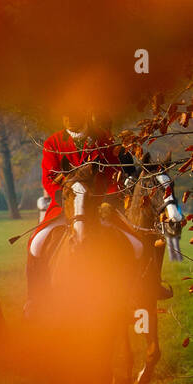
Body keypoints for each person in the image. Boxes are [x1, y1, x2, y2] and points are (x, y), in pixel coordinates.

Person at [24, 111, 144, 316]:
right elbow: (49, 177)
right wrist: (67, 199)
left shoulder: (103, 139)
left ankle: (133, 296)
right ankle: (35, 299)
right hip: (65, 206)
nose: (71, 118)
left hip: (100, 207)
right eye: (67, 113)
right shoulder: (53, 142)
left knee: (137, 245)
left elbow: (113, 173)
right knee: (36, 243)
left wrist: (108, 201)